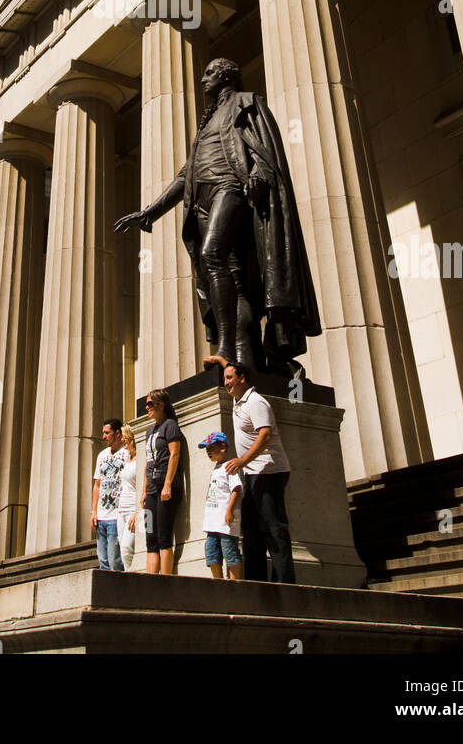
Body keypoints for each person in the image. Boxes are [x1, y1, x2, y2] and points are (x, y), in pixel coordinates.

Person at [115, 58, 320, 379]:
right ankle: (244, 357)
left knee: (213, 254)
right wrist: (150, 211)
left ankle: (225, 346)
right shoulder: (206, 123)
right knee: (232, 281)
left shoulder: (246, 102)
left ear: (226, 75)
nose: (202, 79)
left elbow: (266, 149)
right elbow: (186, 175)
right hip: (202, 200)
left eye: (209, 73)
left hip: (230, 187)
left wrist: (259, 173)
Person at [223, 362, 295, 583]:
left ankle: (285, 583)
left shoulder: (256, 402)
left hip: (269, 470)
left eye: (229, 378)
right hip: (253, 474)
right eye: (224, 378)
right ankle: (256, 583)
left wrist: (242, 460)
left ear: (242, 378)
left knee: (273, 527)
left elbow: (265, 435)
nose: (225, 382)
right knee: (251, 530)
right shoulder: (238, 403)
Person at [142, 389, 182, 575]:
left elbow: (174, 454)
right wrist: (143, 491)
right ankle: (150, 581)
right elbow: (147, 461)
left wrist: (168, 484)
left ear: (161, 405)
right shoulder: (149, 431)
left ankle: (166, 581)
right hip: (150, 490)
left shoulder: (170, 425)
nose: (147, 407)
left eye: (150, 404)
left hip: (165, 487)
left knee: (164, 536)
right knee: (150, 537)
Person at [199, 431, 243, 581]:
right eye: (207, 450)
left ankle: (234, 582)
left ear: (222, 447)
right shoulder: (216, 468)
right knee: (211, 552)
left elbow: (236, 489)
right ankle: (218, 581)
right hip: (212, 523)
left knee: (229, 551)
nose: (208, 452)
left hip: (225, 523)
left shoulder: (229, 467)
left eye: (211, 448)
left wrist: (230, 510)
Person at [91, 417, 126, 571]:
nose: (103, 436)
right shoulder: (102, 455)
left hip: (116, 516)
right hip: (101, 516)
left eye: (107, 433)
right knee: (103, 562)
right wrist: (93, 512)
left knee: (115, 561)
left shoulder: (127, 453)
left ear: (117, 433)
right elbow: (97, 485)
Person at [117, 424, 138, 571]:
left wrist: (138, 512)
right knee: (122, 552)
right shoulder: (126, 458)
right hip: (121, 510)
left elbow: (144, 486)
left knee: (126, 550)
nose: (123, 440)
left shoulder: (140, 459)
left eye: (125, 437)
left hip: (134, 510)